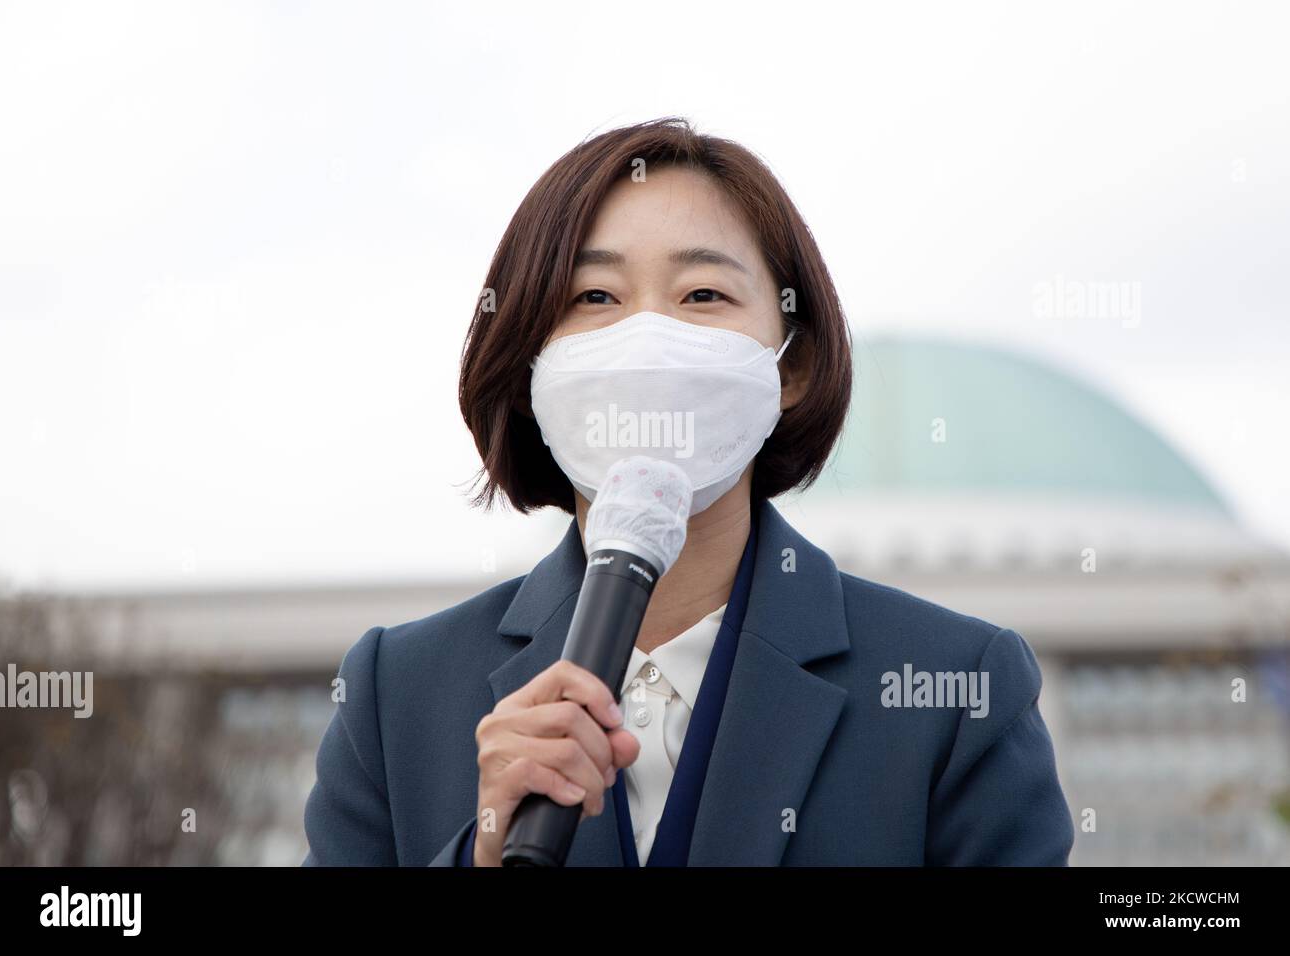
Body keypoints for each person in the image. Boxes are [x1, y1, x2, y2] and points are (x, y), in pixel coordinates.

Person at [302, 117, 1075, 866]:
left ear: (791, 366)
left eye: (703, 295)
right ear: (529, 365)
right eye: (594, 298)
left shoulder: (954, 687)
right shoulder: (395, 694)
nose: (647, 339)